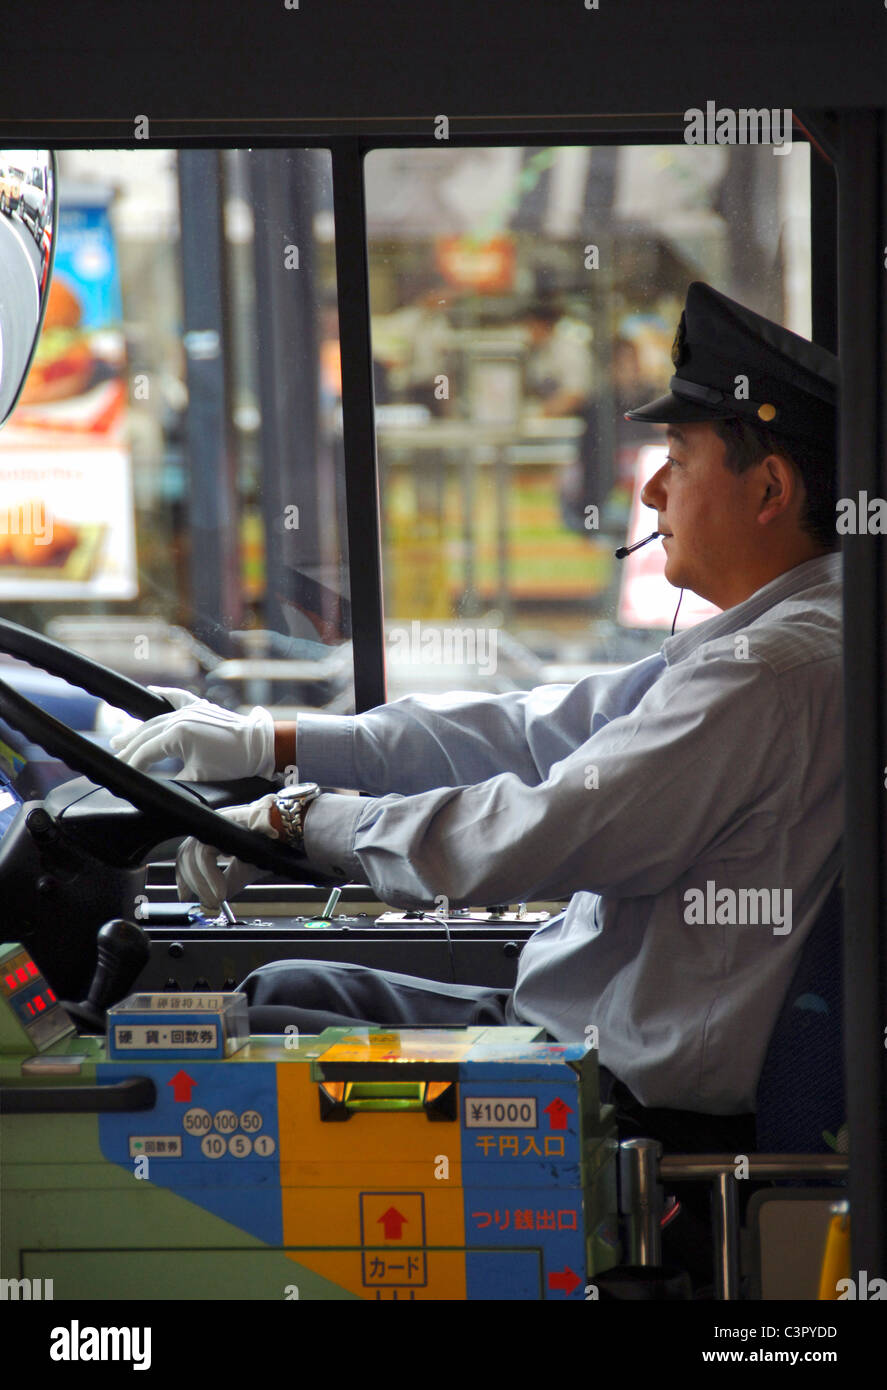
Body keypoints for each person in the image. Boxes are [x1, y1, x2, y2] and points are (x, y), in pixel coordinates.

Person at [112, 282, 841, 1283]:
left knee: (265, 1020)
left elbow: (522, 835)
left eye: (675, 461)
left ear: (767, 493)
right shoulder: (781, 641)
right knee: (285, 990)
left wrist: (300, 818)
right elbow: (537, 729)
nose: (649, 494)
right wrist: (276, 738)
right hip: (599, 1054)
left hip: (631, 1117)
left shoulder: (771, 670)